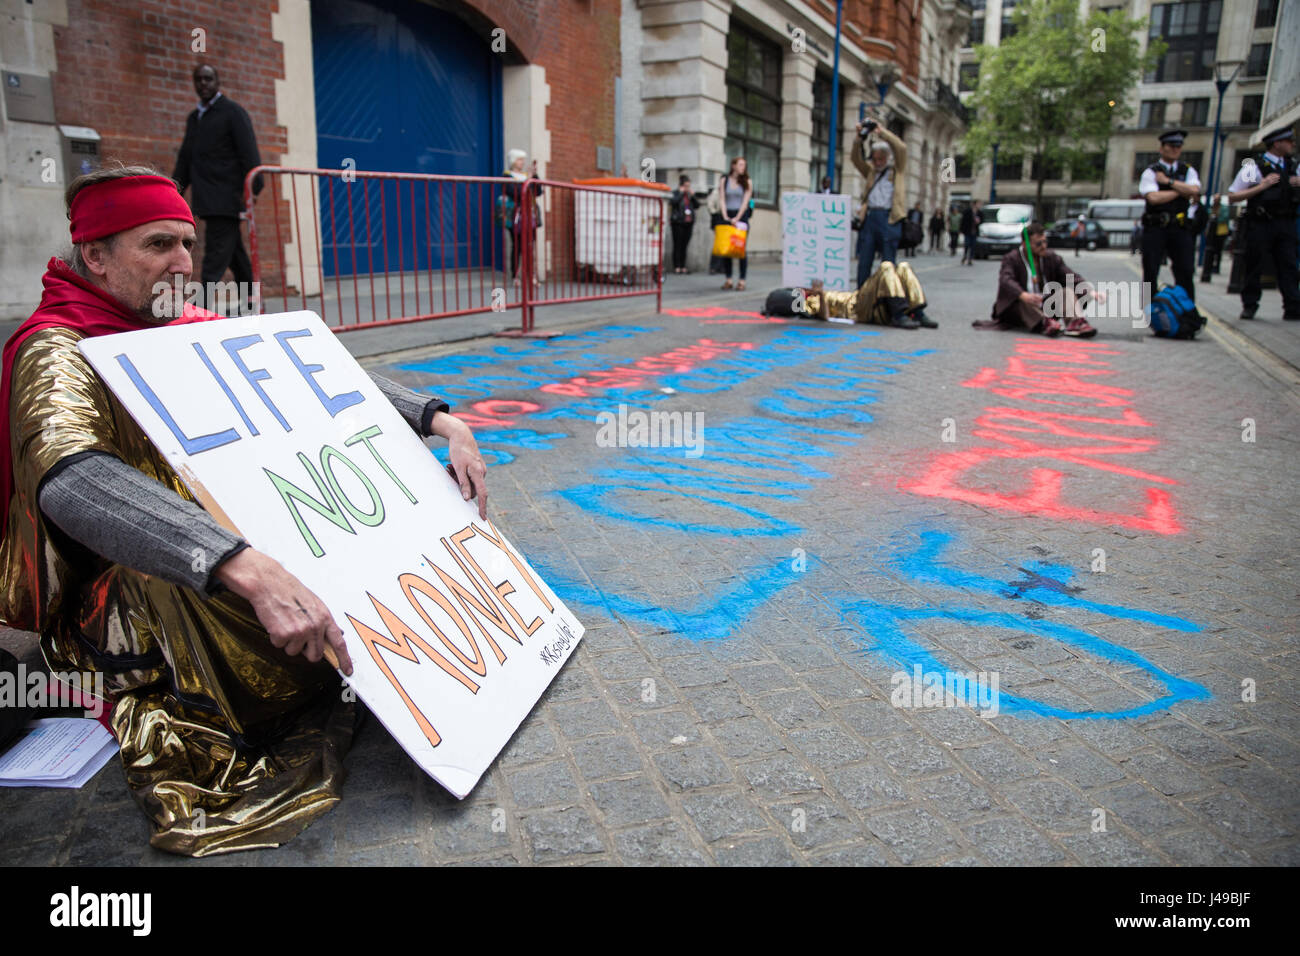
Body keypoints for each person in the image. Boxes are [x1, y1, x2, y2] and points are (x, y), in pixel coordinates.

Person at [0, 166, 490, 856]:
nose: (181, 264)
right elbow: (71, 478)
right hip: (136, 582)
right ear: (96, 257)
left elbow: (314, 373)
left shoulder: (185, 324)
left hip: (229, 541)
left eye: (187, 244)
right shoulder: (55, 351)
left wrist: (438, 421)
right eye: (157, 245)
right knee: (195, 580)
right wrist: (235, 561)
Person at [172, 64, 263, 313]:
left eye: (208, 79)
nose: (203, 84)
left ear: (217, 82)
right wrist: (173, 190)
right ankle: (253, 300)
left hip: (227, 197)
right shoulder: (196, 118)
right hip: (207, 198)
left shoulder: (232, 112)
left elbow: (249, 152)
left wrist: (254, 186)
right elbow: (185, 159)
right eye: (199, 80)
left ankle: (201, 306)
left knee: (215, 255)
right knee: (233, 253)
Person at [974, 221, 1102, 337]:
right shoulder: (1011, 259)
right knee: (1020, 300)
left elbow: (1069, 275)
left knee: (1066, 292)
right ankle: (1045, 323)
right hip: (1019, 309)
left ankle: (1076, 324)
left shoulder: (1051, 257)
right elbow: (1006, 280)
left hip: (1044, 305)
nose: (1044, 246)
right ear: (1025, 244)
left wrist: (1090, 291)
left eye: (1045, 241)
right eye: (1038, 243)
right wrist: (1023, 295)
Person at [1227, 126, 1300, 320]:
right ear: (1277, 144)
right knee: (1255, 263)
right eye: (1289, 141)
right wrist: (1262, 186)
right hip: (1261, 223)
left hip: (1286, 223)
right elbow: (1233, 196)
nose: (1292, 144)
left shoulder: (1294, 166)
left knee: (1289, 265)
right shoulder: (1254, 167)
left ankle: (1292, 306)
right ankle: (1250, 305)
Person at [774, 260, 933, 329]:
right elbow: (825, 317)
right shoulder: (809, 301)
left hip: (860, 299)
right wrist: (820, 295)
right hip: (859, 309)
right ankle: (899, 314)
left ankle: (917, 311)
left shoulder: (820, 286)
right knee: (886, 267)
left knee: (904, 267)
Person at [1138, 129, 1201, 303]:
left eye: (1178, 146)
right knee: (1150, 271)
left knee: (1185, 270)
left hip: (1179, 227)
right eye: (1171, 146)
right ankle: (1149, 310)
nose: (1175, 149)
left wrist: (1169, 183)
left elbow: (1196, 191)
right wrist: (1182, 192)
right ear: (1162, 148)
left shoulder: (1187, 170)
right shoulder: (1151, 172)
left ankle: (1188, 311)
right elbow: (1153, 198)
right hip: (1155, 227)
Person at [848, 113, 908, 286]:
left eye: (881, 159)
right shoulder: (871, 173)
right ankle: (862, 297)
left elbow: (901, 148)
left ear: (887, 157)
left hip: (889, 219)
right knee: (864, 261)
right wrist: (859, 139)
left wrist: (880, 132)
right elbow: (855, 158)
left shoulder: (897, 170)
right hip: (871, 218)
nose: (877, 162)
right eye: (875, 159)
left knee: (888, 264)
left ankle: (890, 299)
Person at [500, 148, 543, 287]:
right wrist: (527, 180)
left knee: (530, 246)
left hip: (529, 214)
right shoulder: (506, 176)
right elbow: (516, 192)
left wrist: (534, 177)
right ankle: (515, 276)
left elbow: (538, 192)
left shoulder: (527, 175)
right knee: (517, 246)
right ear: (513, 161)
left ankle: (531, 276)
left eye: (523, 160)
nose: (522, 162)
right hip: (515, 216)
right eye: (519, 159)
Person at [715, 157, 752, 291]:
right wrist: (725, 215)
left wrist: (737, 217)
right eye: (741, 164)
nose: (743, 167)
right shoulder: (724, 180)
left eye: (744, 165)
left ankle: (742, 280)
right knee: (727, 249)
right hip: (726, 215)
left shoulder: (747, 182)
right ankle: (728, 279)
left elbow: (745, 202)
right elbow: (722, 198)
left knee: (740, 249)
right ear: (734, 165)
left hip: (741, 217)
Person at [669, 174, 700, 274]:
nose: (687, 188)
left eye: (688, 186)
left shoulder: (689, 195)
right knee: (677, 244)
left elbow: (697, 205)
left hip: (688, 222)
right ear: (681, 185)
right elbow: (673, 202)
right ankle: (676, 266)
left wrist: (693, 196)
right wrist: (681, 193)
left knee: (684, 245)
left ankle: (683, 266)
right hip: (678, 222)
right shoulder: (676, 193)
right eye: (686, 186)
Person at [1200, 194, 1230, 283]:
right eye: (1214, 199)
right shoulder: (1212, 208)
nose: (1215, 201)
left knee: (1218, 250)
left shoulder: (1223, 208)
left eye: (1217, 199)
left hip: (1221, 232)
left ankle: (1217, 267)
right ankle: (1210, 267)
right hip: (1212, 232)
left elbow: (1224, 217)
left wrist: (1216, 217)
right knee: (1210, 251)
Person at [960, 199, 982, 265]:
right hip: (967, 231)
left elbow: (982, 221)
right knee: (967, 244)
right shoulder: (967, 211)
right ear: (975, 204)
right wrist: (962, 230)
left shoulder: (979, 213)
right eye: (978, 204)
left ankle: (970, 259)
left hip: (975, 231)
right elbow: (963, 221)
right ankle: (965, 256)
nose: (979, 205)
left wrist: (979, 221)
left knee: (973, 246)